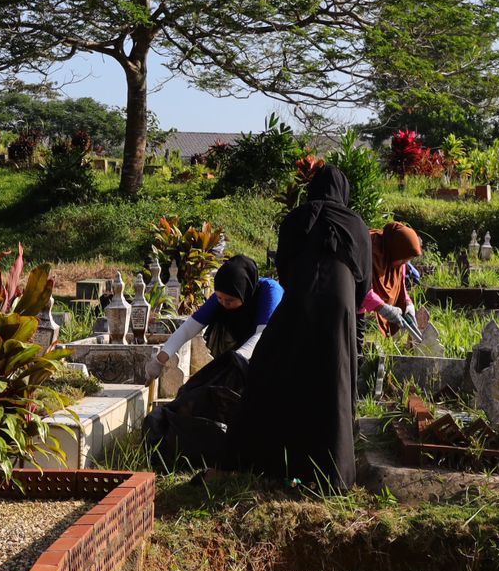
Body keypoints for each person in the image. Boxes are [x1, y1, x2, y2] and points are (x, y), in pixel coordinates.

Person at [221, 164, 371, 490]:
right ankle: (330, 476)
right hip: (339, 308)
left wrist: (303, 291)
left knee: (273, 370)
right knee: (333, 382)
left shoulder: (295, 218)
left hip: (299, 302)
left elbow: (285, 269)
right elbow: (363, 282)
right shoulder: (357, 224)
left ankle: (267, 462)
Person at [145, 254, 282, 381]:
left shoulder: (269, 292)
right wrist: (160, 359)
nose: (223, 303)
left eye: (229, 300)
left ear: (244, 294)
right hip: (241, 357)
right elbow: (188, 329)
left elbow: (263, 335)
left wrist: (234, 360)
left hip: (277, 354)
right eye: (220, 298)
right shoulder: (222, 297)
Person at [362, 222, 424, 338]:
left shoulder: (397, 259)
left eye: (407, 261)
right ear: (395, 250)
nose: (404, 264)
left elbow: (400, 285)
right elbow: (360, 286)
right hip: (359, 316)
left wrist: (408, 303)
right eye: (403, 259)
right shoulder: (368, 252)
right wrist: (381, 307)